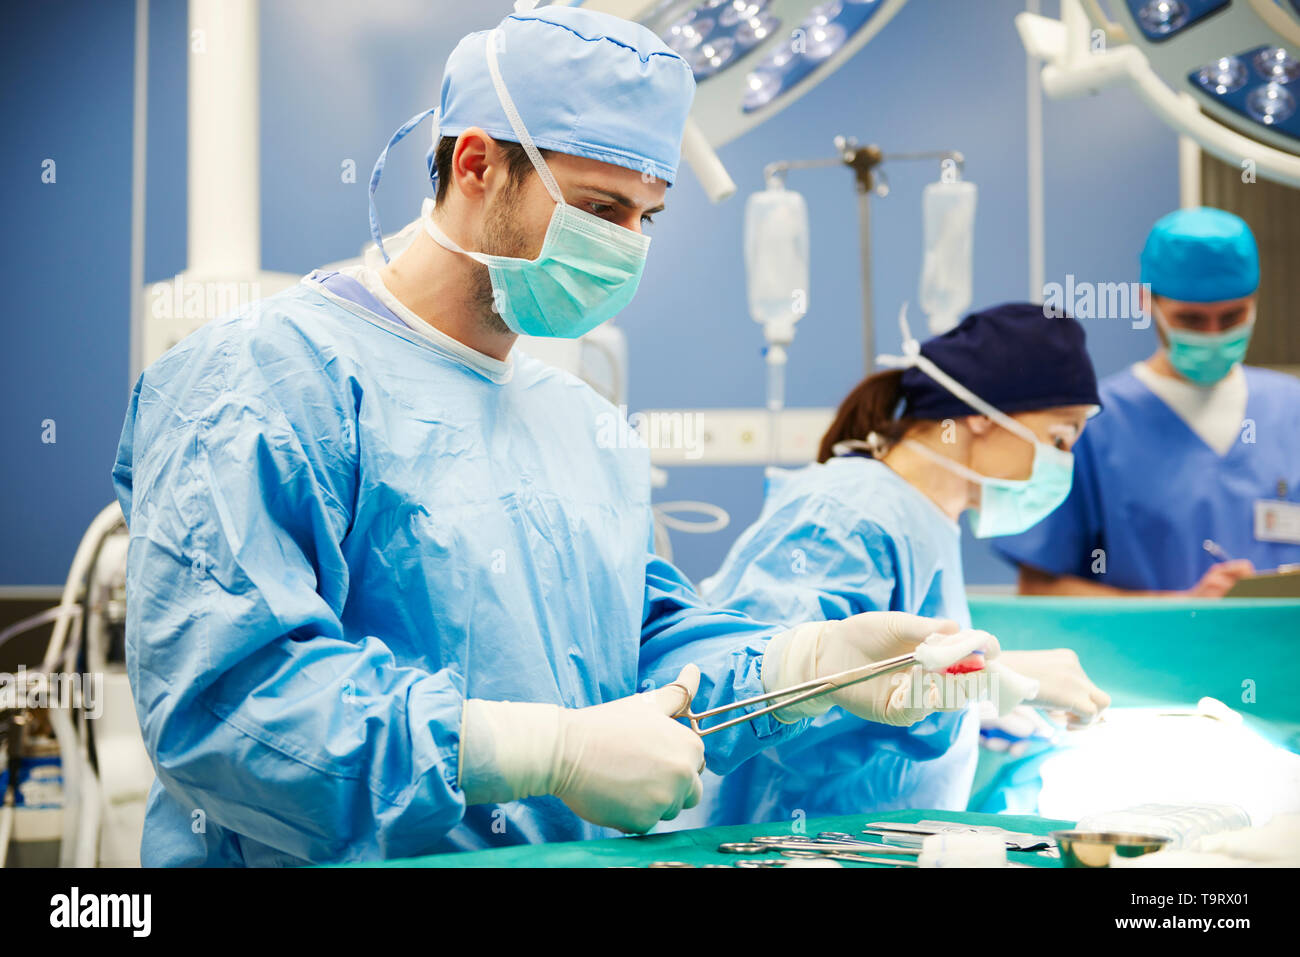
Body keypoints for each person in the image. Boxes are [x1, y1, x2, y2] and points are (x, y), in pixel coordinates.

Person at [112, 7, 981, 866]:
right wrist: (534, 751)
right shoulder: (261, 380)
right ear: (478, 163)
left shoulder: (584, 426)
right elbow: (225, 704)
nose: (629, 246)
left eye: (650, 216)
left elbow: (636, 647)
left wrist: (809, 661)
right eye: (603, 208)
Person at [672, 303, 1111, 827]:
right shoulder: (848, 515)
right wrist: (984, 679)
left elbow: (882, 689)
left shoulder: (921, 518)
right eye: (1060, 438)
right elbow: (752, 702)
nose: (1065, 461)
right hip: (784, 839)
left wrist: (975, 707)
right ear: (981, 416)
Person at [996, 208, 1300, 595]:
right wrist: (1183, 608)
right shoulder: (1093, 424)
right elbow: (1040, 587)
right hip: (1149, 654)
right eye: (1191, 319)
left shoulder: (1291, 408)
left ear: (1254, 302)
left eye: (1231, 317)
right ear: (1147, 302)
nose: (1213, 334)